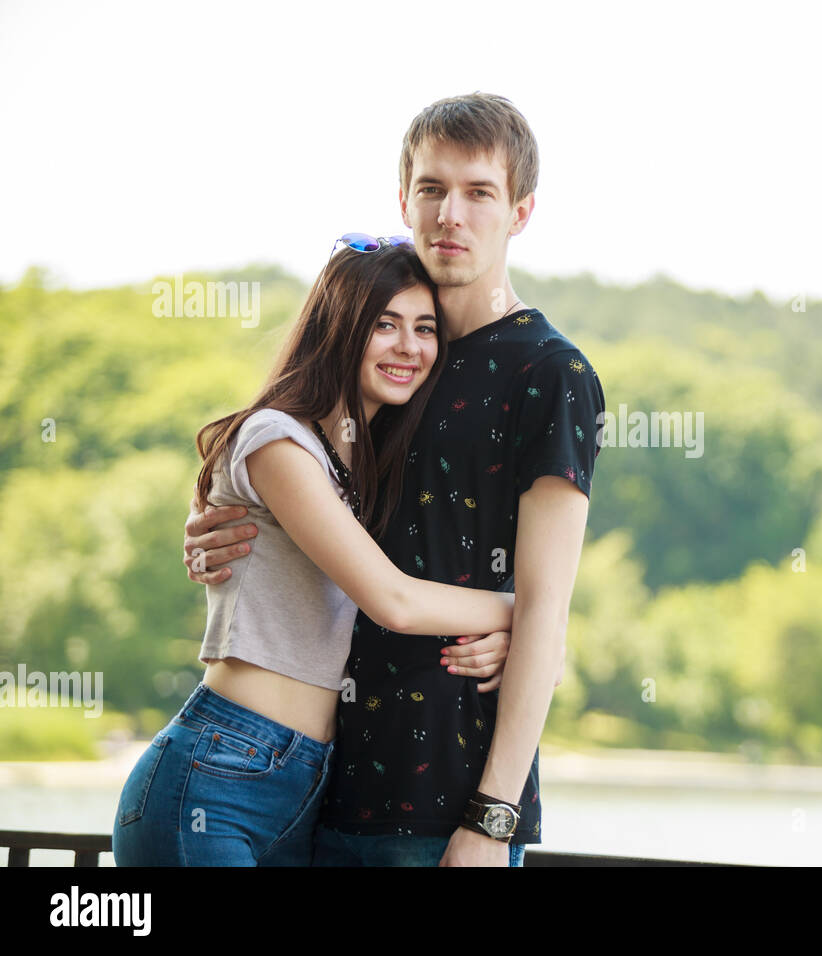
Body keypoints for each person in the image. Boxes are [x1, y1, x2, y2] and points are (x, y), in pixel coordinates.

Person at [183, 92, 605, 867]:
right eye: (432, 189)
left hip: (446, 803)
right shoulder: (389, 362)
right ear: (403, 200)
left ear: (520, 212)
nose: (452, 213)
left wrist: (493, 819)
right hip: (316, 790)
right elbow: (278, 460)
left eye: (480, 192)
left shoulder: (550, 374)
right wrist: (207, 519)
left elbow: (550, 599)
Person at [113, 238, 517, 866]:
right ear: (340, 328)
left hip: (308, 784)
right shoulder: (276, 438)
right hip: (219, 772)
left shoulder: (363, 462)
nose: (408, 346)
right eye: (384, 324)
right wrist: (530, 616)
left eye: (425, 327)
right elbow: (394, 601)